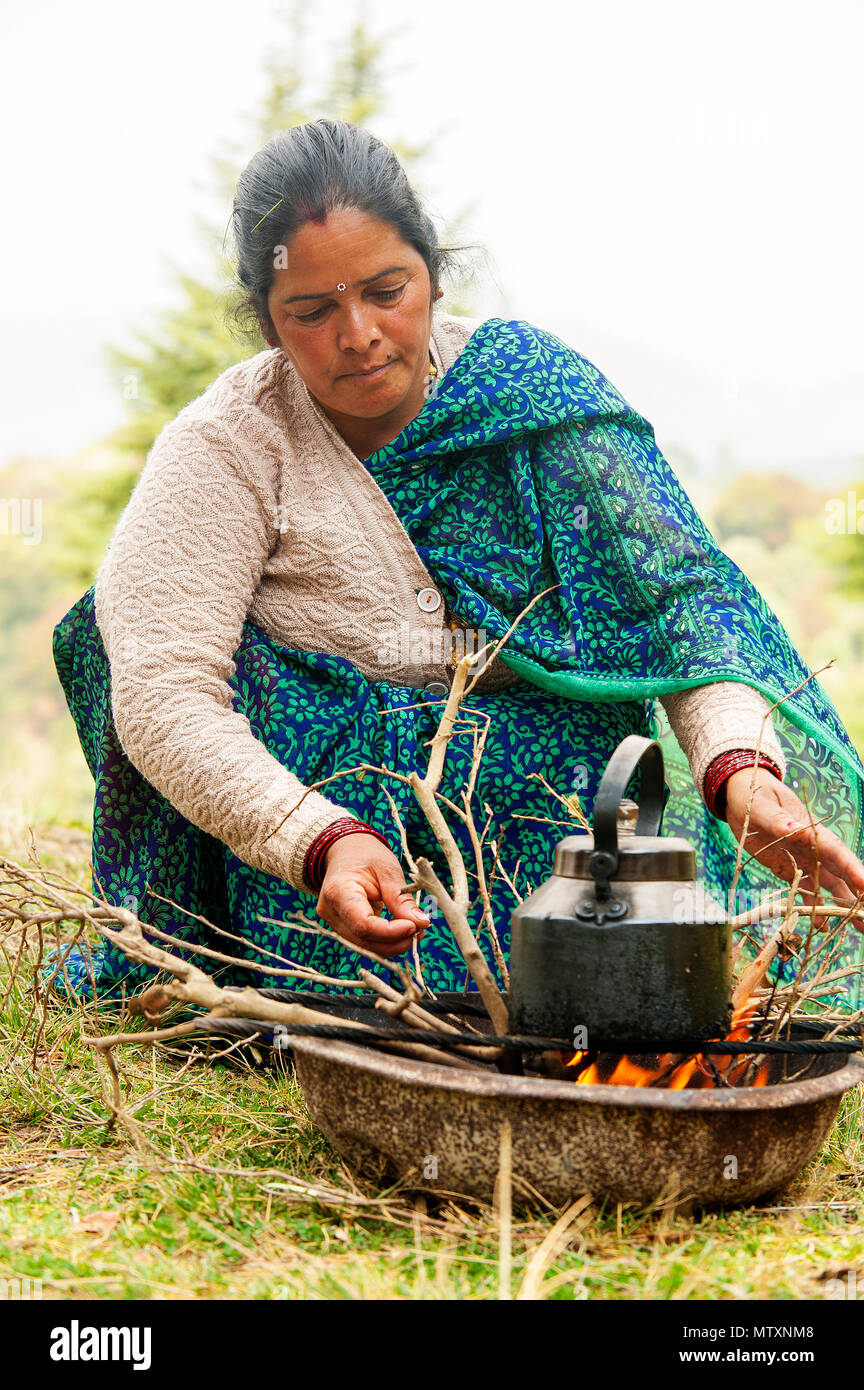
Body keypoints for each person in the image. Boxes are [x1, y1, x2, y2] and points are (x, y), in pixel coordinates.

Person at [50, 118, 864, 1008]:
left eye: (387, 290)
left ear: (433, 274)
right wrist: (315, 839)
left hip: (543, 805)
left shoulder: (531, 396)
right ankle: (239, 945)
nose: (358, 333)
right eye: (312, 312)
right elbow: (164, 691)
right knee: (116, 626)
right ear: (268, 324)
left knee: (580, 999)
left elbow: (681, 604)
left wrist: (738, 769)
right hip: (327, 814)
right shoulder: (229, 444)